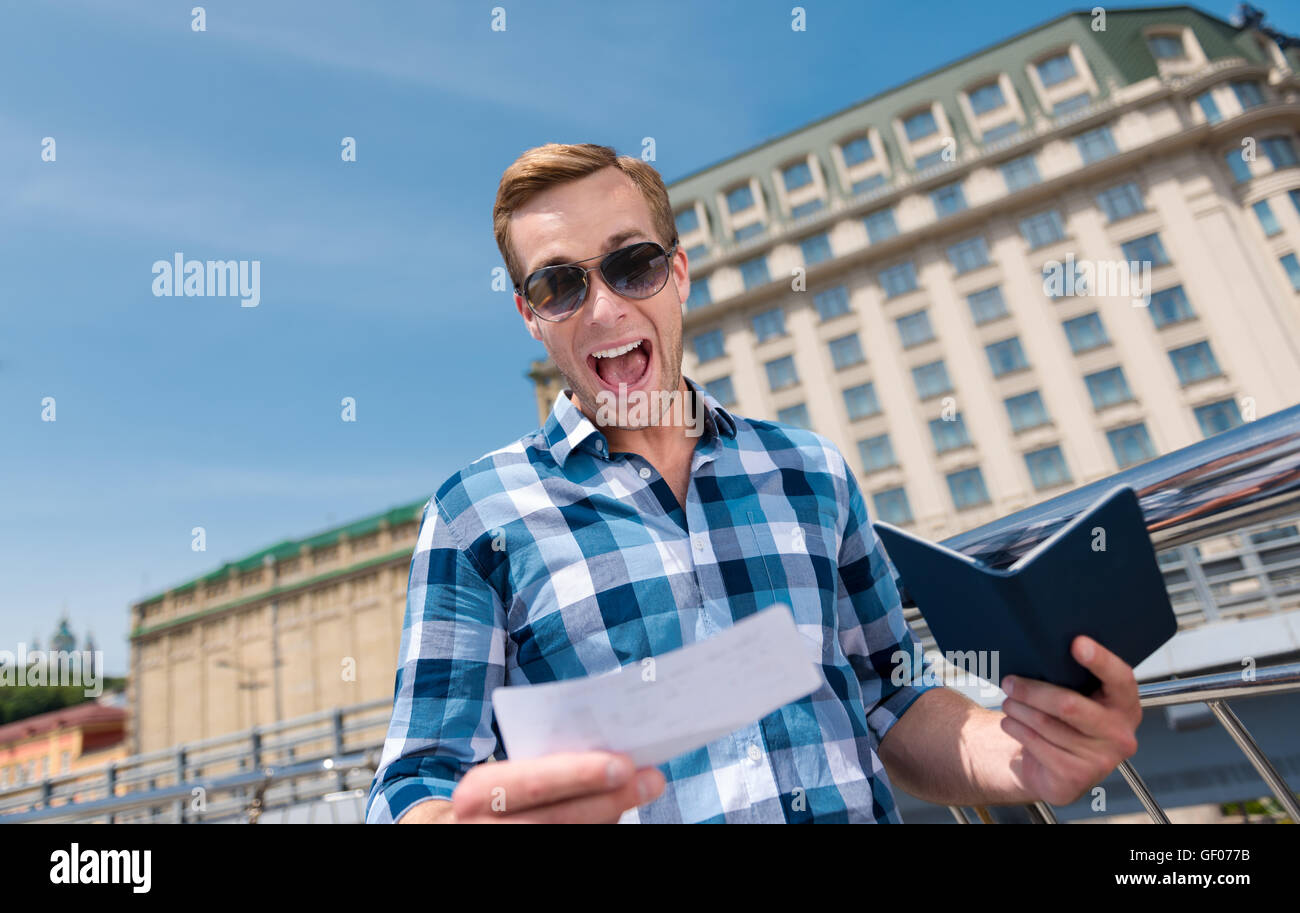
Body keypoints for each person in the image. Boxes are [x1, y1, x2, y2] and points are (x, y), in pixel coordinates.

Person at [364, 142, 1141, 823]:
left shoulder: (811, 472)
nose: (603, 308)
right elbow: (417, 778)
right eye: (558, 285)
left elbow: (892, 698)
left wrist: (1021, 757)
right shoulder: (474, 516)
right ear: (531, 317)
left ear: (677, 274)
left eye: (632, 264)